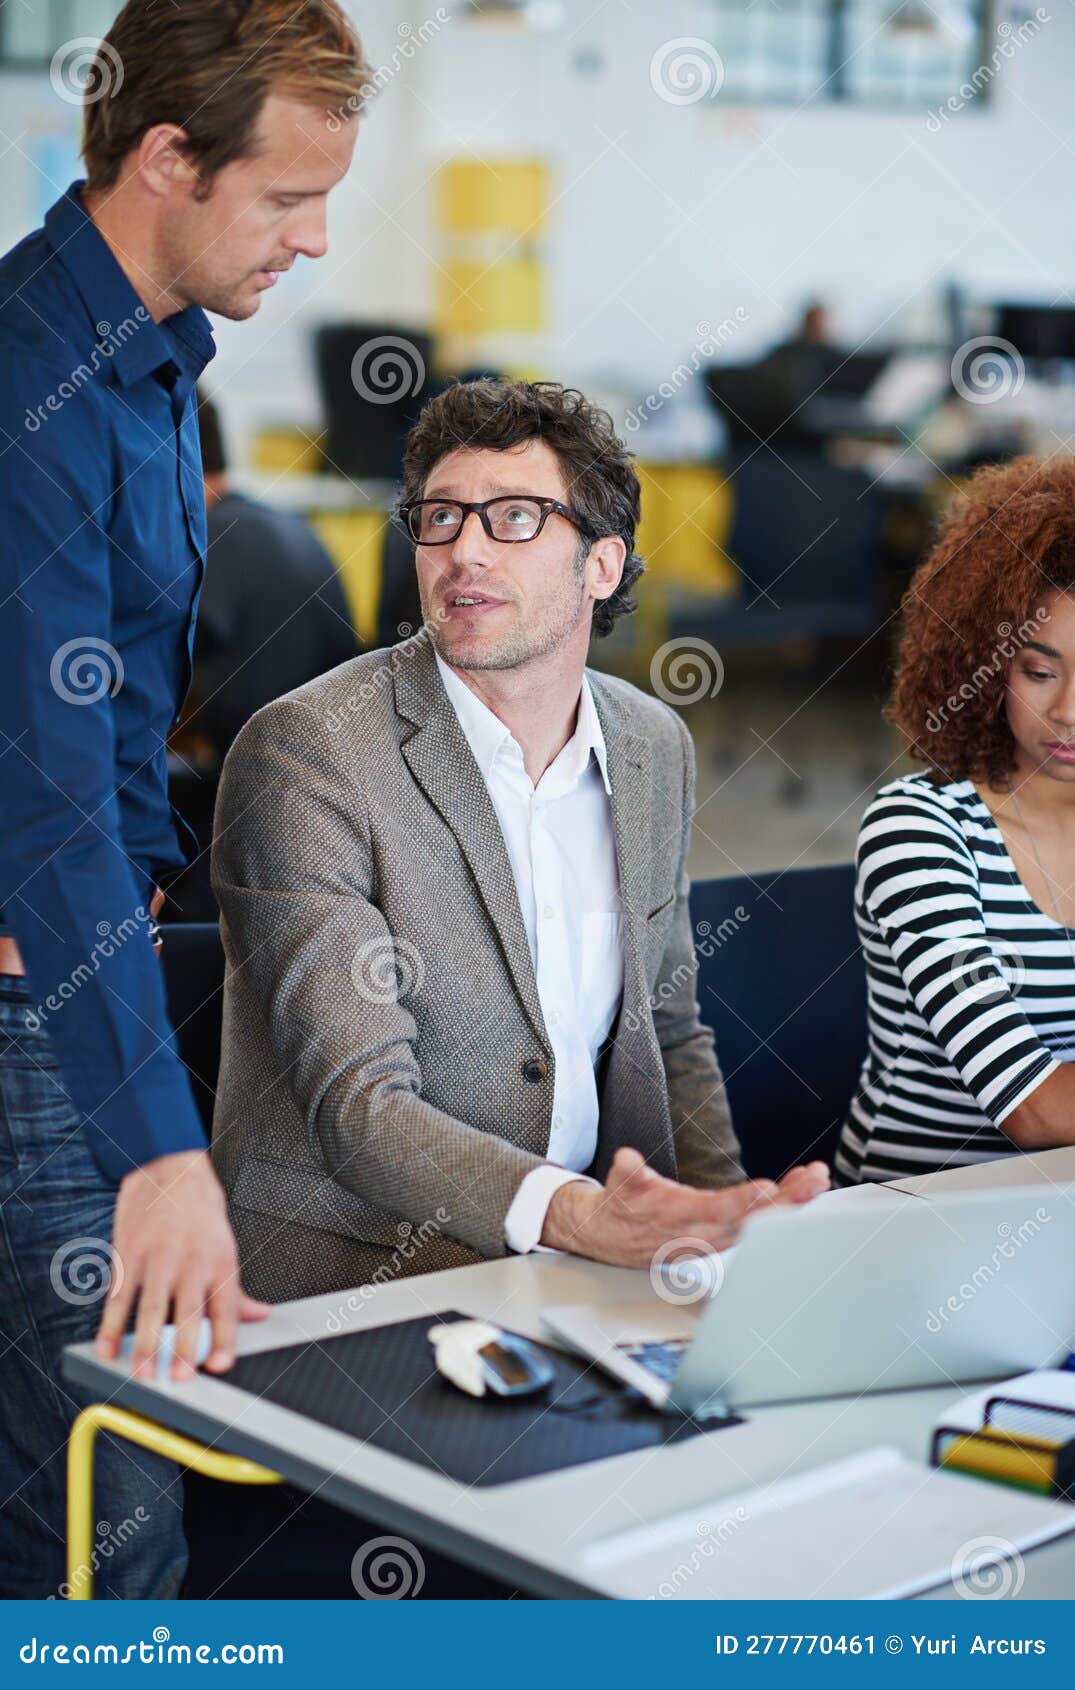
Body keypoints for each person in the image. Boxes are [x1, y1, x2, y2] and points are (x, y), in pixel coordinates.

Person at [0, 0, 370, 1599]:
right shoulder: (36, 385)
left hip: (99, 975)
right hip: (42, 1009)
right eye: (285, 197)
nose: (315, 236)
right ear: (166, 157)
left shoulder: (155, 361)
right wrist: (155, 1150)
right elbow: (51, 793)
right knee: (104, 1521)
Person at [210, 378, 829, 1306]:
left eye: (512, 519)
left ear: (602, 565)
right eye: (440, 518)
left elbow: (666, 1027)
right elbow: (358, 1109)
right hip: (366, 1271)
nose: (462, 550)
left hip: (591, 1261)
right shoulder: (310, 752)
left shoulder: (652, 744)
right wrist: (583, 1220)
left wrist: (725, 1228)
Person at [836, 455, 1075, 1185]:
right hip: (913, 1228)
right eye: (1038, 672)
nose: (1067, 712)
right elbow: (1030, 1109)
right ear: (984, 659)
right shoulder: (918, 831)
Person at [188, 391, 359, 764]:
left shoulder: (218, 537)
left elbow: (156, 668)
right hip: (323, 763)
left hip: (270, 776)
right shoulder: (286, 523)